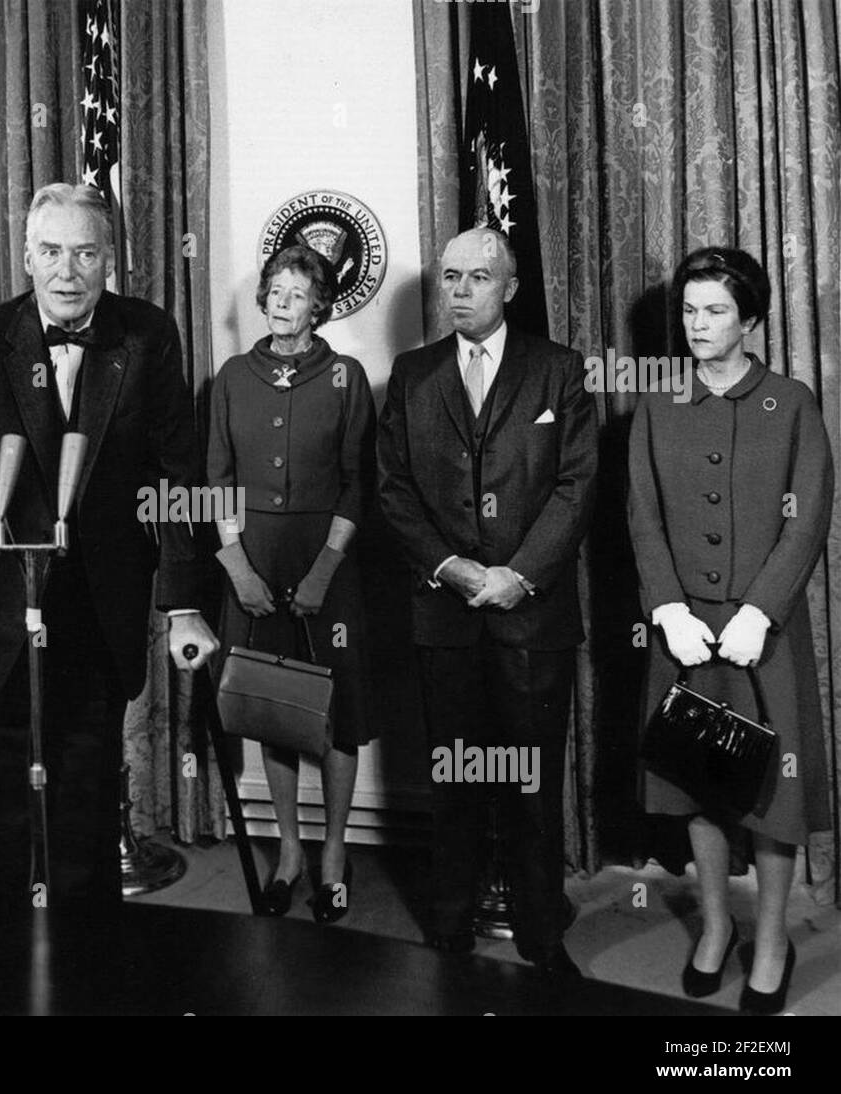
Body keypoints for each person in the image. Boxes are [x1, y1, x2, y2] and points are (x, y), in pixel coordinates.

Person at [0, 183, 217, 907]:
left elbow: (176, 477)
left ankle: (86, 969)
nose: (68, 272)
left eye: (86, 253)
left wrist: (183, 605)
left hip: (101, 610)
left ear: (109, 260)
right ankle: (2, 970)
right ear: (27, 256)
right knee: (2, 801)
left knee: (86, 794)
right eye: (53, 252)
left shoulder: (148, 334)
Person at [377, 227, 598, 973]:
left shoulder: (559, 370)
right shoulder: (412, 375)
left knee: (531, 782)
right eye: (450, 277)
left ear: (509, 287)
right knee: (456, 773)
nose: (461, 290)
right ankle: (449, 922)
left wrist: (518, 573)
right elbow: (392, 489)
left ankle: (541, 930)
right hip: (445, 612)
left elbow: (576, 486)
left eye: (478, 277)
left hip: (531, 614)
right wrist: (452, 568)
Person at [628, 247, 833, 1014]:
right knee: (699, 785)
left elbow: (807, 515)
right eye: (689, 310)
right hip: (686, 633)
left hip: (761, 635)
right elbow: (640, 514)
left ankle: (772, 936)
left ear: (750, 319)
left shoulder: (791, 400)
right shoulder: (658, 403)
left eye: (715, 311)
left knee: (770, 796)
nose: (698, 325)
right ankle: (715, 926)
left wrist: (760, 610)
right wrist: (668, 609)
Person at [207, 244, 375, 924]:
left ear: (320, 305)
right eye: (273, 289)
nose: (280, 301)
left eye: (296, 292)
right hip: (253, 563)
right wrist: (238, 567)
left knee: (338, 716)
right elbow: (214, 479)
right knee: (271, 709)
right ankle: (289, 854)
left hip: (325, 565)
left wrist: (324, 572)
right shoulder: (231, 376)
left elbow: (360, 479)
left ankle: (334, 854)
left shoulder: (347, 375)